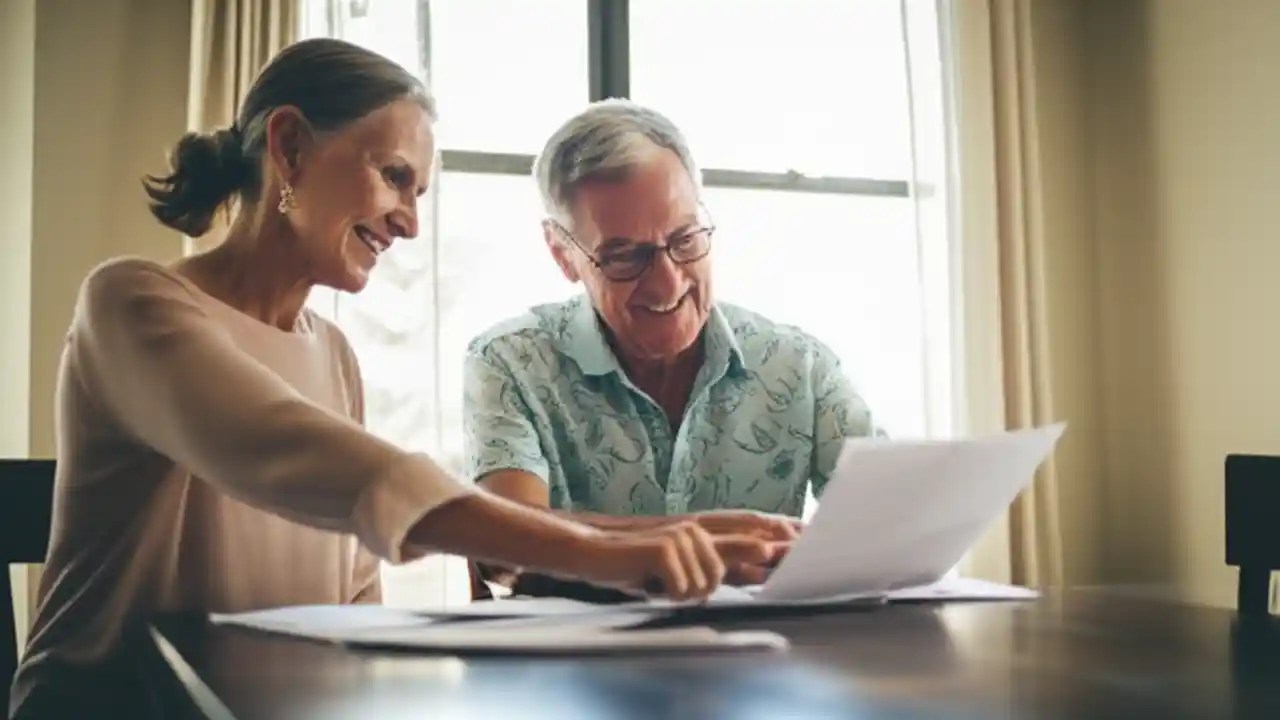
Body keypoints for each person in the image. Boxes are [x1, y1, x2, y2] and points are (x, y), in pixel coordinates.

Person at [9, 40, 774, 718]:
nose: (409, 222)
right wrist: (612, 552)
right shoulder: (133, 303)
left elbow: (352, 607)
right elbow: (302, 458)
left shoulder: (333, 354)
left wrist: (660, 535)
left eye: (419, 193)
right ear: (291, 147)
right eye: (393, 176)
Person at [463, 100, 886, 587]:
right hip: (579, 657)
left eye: (685, 240)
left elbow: (888, 524)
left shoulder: (801, 365)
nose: (667, 284)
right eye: (624, 256)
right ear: (563, 254)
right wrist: (697, 542)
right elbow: (503, 543)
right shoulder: (511, 361)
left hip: (766, 655)